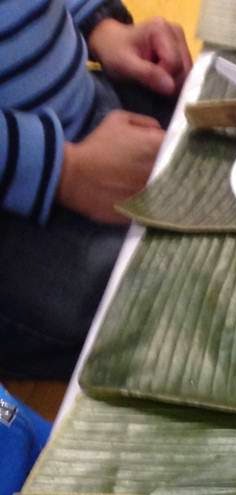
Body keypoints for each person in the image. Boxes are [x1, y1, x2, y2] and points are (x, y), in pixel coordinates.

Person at [0, 1, 191, 378]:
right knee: (182, 303)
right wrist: (61, 169)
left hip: (81, 113)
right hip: (18, 200)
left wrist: (98, 25)